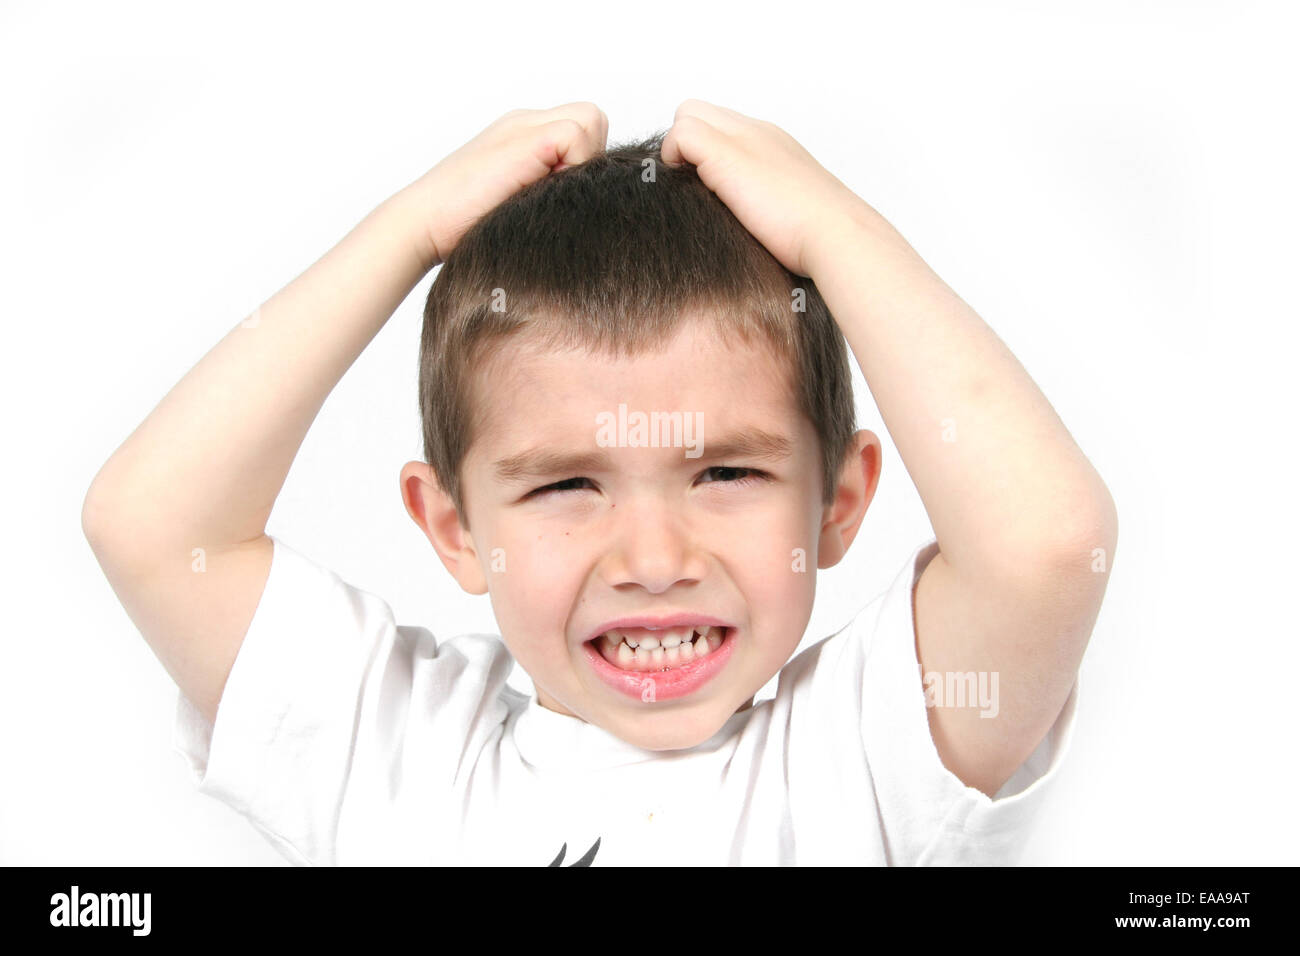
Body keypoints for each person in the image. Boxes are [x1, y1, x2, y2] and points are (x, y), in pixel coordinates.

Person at [82, 100, 1117, 865]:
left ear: (837, 502)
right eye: (567, 486)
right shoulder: (398, 750)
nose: (655, 561)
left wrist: (832, 228)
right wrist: (406, 233)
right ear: (451, 526)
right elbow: (152, 527)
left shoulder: (863, 755)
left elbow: (1048, 547)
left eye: (725, 470)